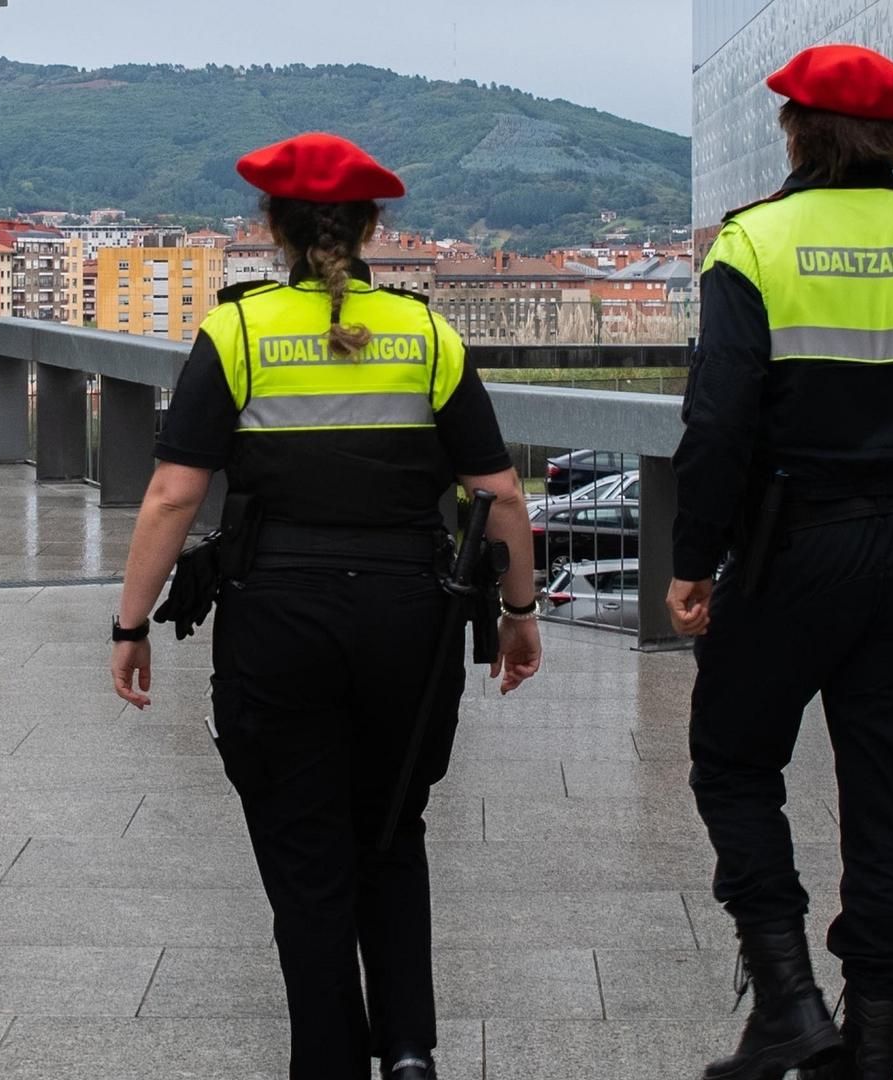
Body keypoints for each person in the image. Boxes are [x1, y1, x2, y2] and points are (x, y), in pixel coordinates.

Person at [107, 132, 542, 1080]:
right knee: (393, 827)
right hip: (409, 620)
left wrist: (132, 624)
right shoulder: (426, 334)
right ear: (371, 225)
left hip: (280, 620)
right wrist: (518, 611)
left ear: (274, 226)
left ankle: (331, 1063)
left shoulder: (237, 332)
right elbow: (499, 493)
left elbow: (173, 496)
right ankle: (411, 1051)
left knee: (306, 853)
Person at [666, 45, 893, 1080]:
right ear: (892, 137)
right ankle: (870, 1048)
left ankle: (786, 998)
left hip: (791, 550)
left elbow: (718, 420)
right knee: (885, 793)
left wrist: (694, 559)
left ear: (796, 132)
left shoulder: (755, 242)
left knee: (734, 763)